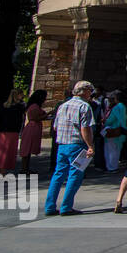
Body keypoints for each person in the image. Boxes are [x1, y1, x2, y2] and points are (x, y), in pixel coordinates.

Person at [44, 81, 97, 217]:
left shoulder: (63, 106)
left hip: (62, 145)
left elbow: (55, 126)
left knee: (58, 174)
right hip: (77, 144)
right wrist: (90, 145)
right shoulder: (84, 107)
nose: (91, 94)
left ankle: (49, 206)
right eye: (90, 91)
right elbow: (85, 128)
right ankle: (66, 207)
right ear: (85, 91)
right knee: (75, 175)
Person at [0, 90, 26, 174]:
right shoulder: (19, 106)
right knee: (7, 152)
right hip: (13, 131)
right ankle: (3, 171)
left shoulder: (5, 105)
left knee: (0, 151)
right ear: (18, 95)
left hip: (3, 131)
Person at [19, 90, 48, 174]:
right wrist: (47, 114)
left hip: (33, 127)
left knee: (28, 148)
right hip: (32, 127)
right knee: (27, 147)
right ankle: (24, 168)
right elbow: (35, 118)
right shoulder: (34, 106)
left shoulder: (33, 106)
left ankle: (26, 168)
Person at [102, 90, 127, 172]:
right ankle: (113, 166)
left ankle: (111, 167)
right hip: (120, 130)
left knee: (110, 150)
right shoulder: (123, 106)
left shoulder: (117, 107)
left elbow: (111, 119)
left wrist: (104, 121)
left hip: (113, 130)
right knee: (116, 150)